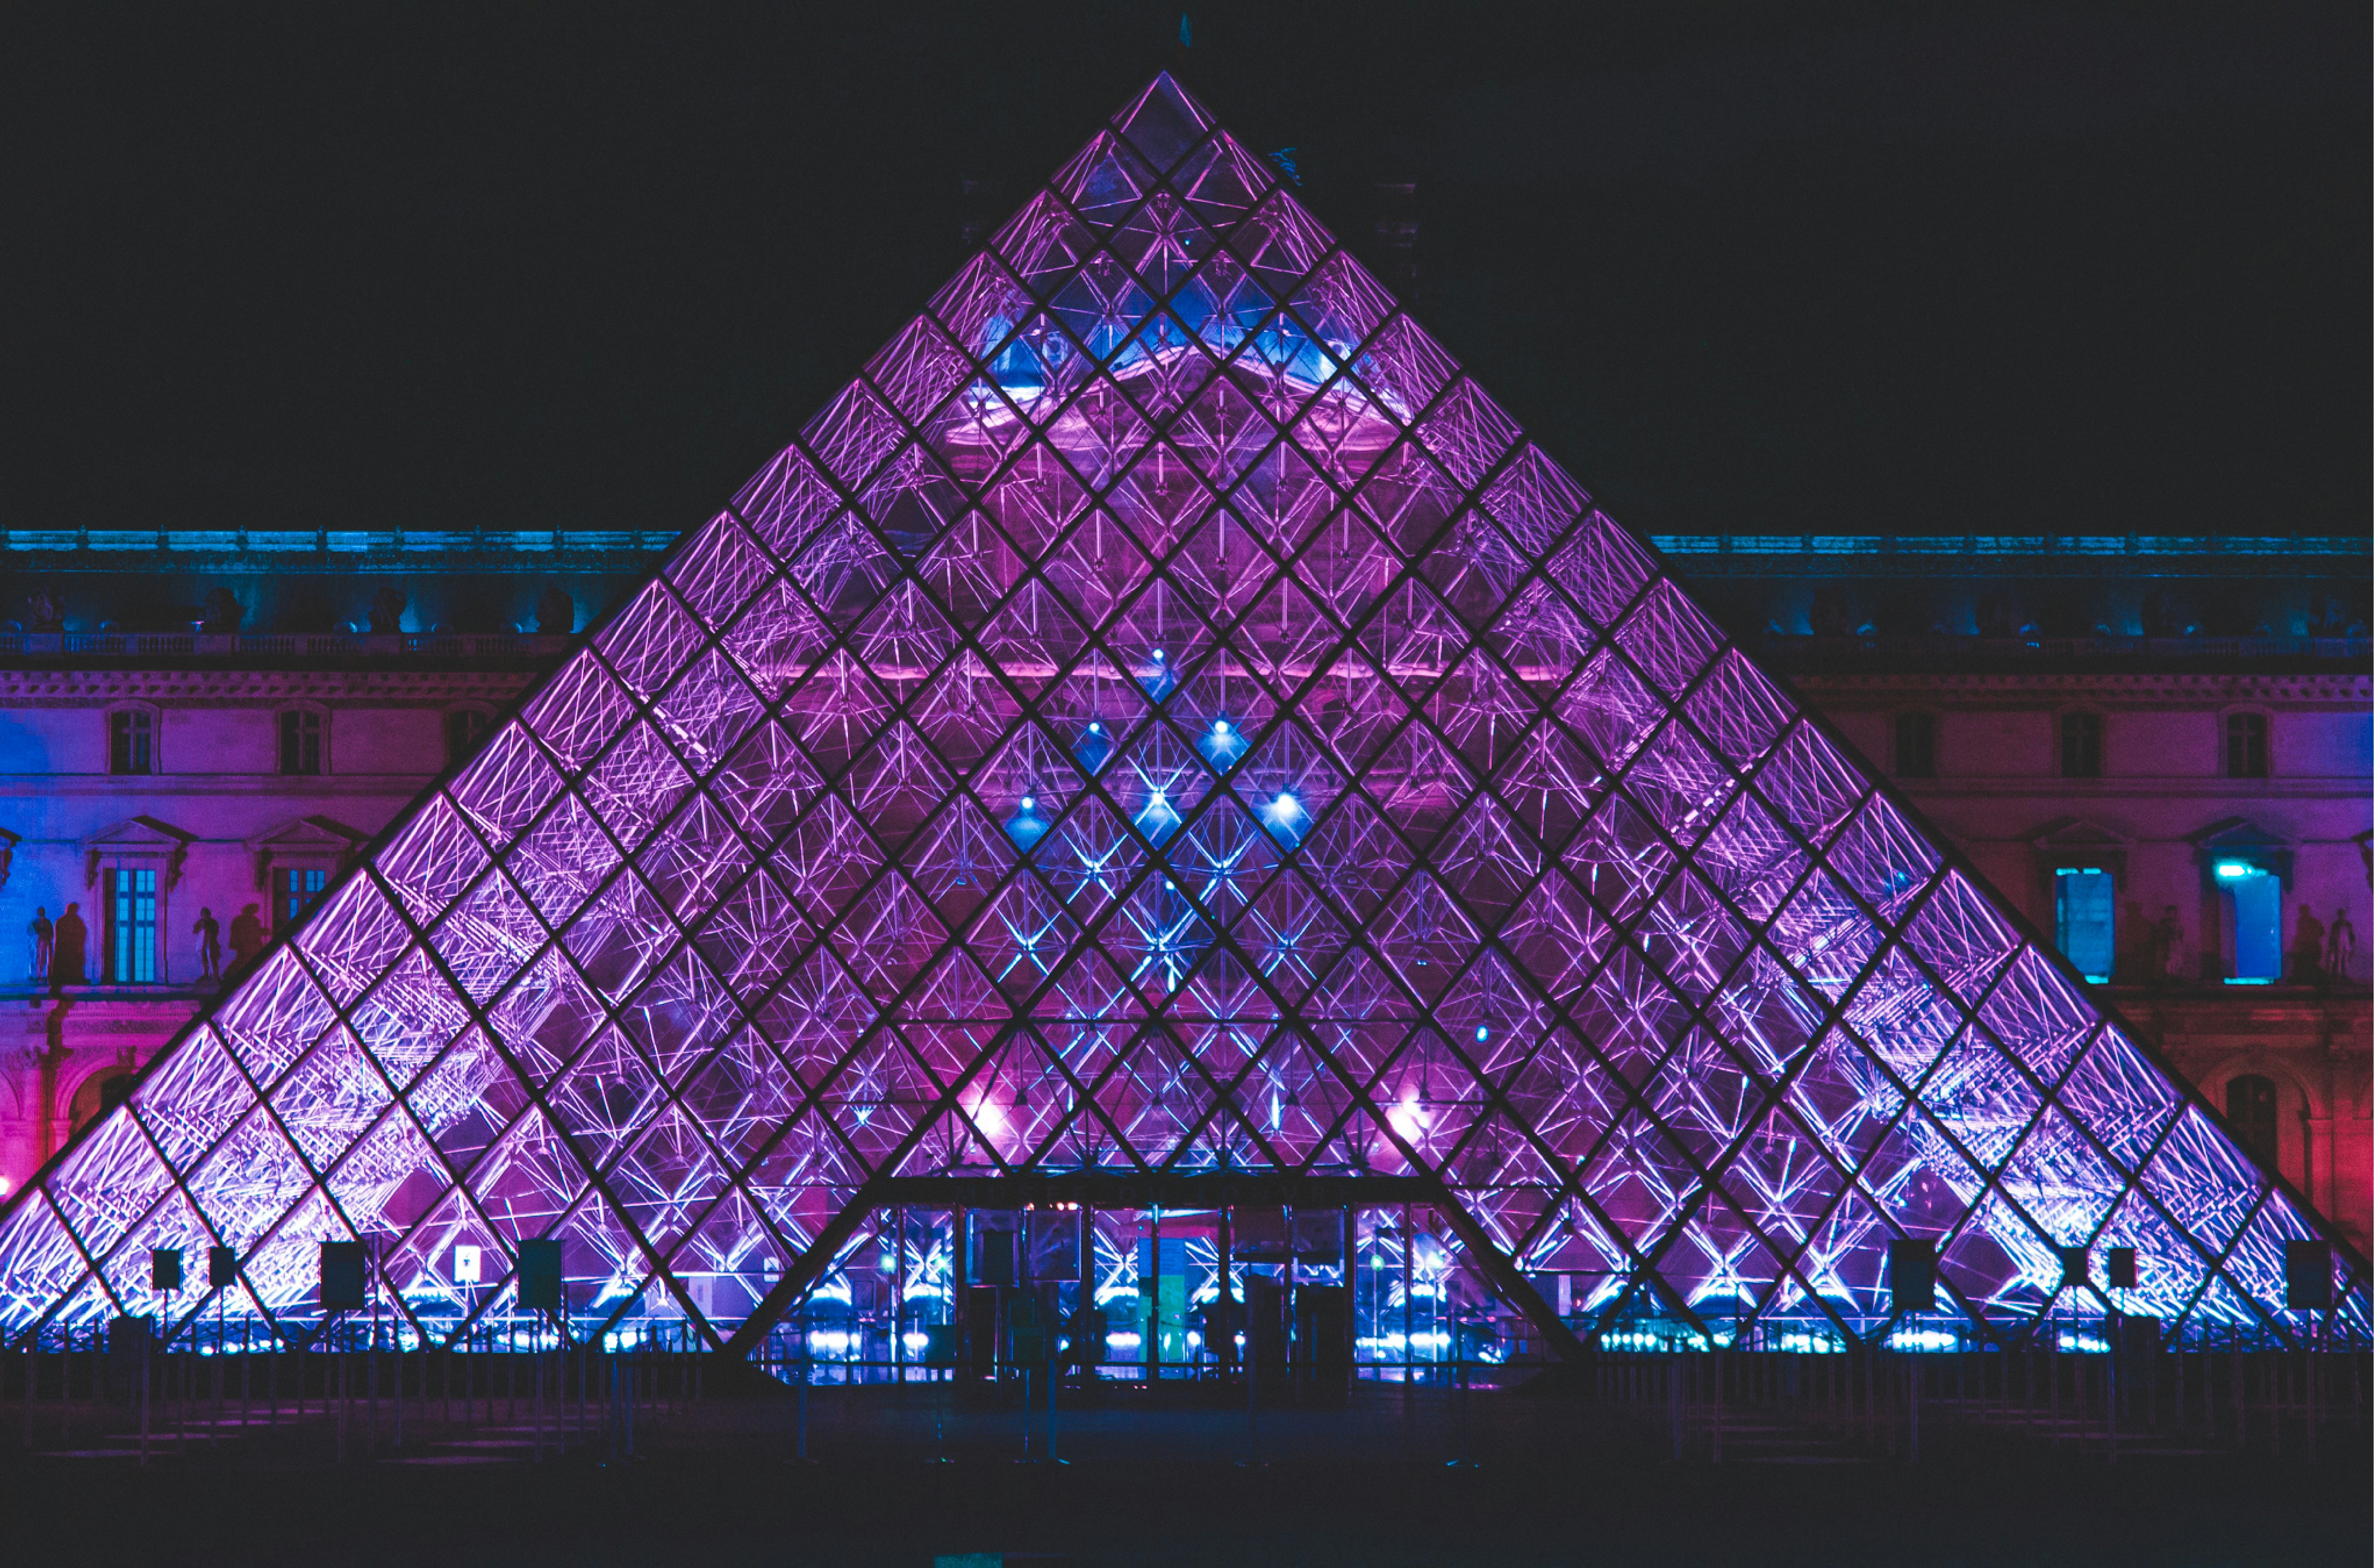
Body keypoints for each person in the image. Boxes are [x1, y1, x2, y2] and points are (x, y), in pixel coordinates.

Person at [50, 903, 87, 993]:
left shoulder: (76, 921)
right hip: (65, 949)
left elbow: (82, 934)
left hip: (72, 950)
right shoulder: (63, 921)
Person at [2291, 906, 2327, 984]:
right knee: (2308, 966)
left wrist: (2310, 939)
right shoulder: (2307, 922)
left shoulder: (2303, 922)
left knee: (2307, 965)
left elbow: (2300, 935)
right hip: (2310, 948)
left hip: (2310, 949)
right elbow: (2322, 932)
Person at [227, 904, 266, 969]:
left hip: (250, 946)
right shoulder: (240, 920)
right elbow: (236, 933)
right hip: (245, 946)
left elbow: (255, 932)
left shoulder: (254, 920)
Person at [2326, 909, 2359, 986]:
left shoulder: (2337, 924)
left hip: (2342, 944)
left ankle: (2341, 976)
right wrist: (2353, 945)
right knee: (2342, 960)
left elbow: (2334, 936)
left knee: (2341, 961)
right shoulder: (2346, 924)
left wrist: (2331, 945)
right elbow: (2351, 935)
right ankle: (2342, 976)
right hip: (2343, 944)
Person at [192, 906, 223, 981]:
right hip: (202, 943)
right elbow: (195, 931)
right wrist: (201, 927)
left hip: (211, 943)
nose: (205, 916)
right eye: (204, 914)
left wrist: (207, 928)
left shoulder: (213, 922)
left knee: (213, 959)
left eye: (206, 914)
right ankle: (206, 974)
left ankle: (215, 976)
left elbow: (216, 932)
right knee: (204, 959)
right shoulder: (200, 922)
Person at [28, 906, 51, 983]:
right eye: (40, 912)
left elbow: (50, 933)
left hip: (43, 943)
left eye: (43, 912)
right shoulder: (34, 922)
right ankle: (34, 975)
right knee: (35, 958)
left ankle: (40, 974)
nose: (42, 913)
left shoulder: (47, 922)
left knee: (42, 958)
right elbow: (30, 933)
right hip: (36, 943)